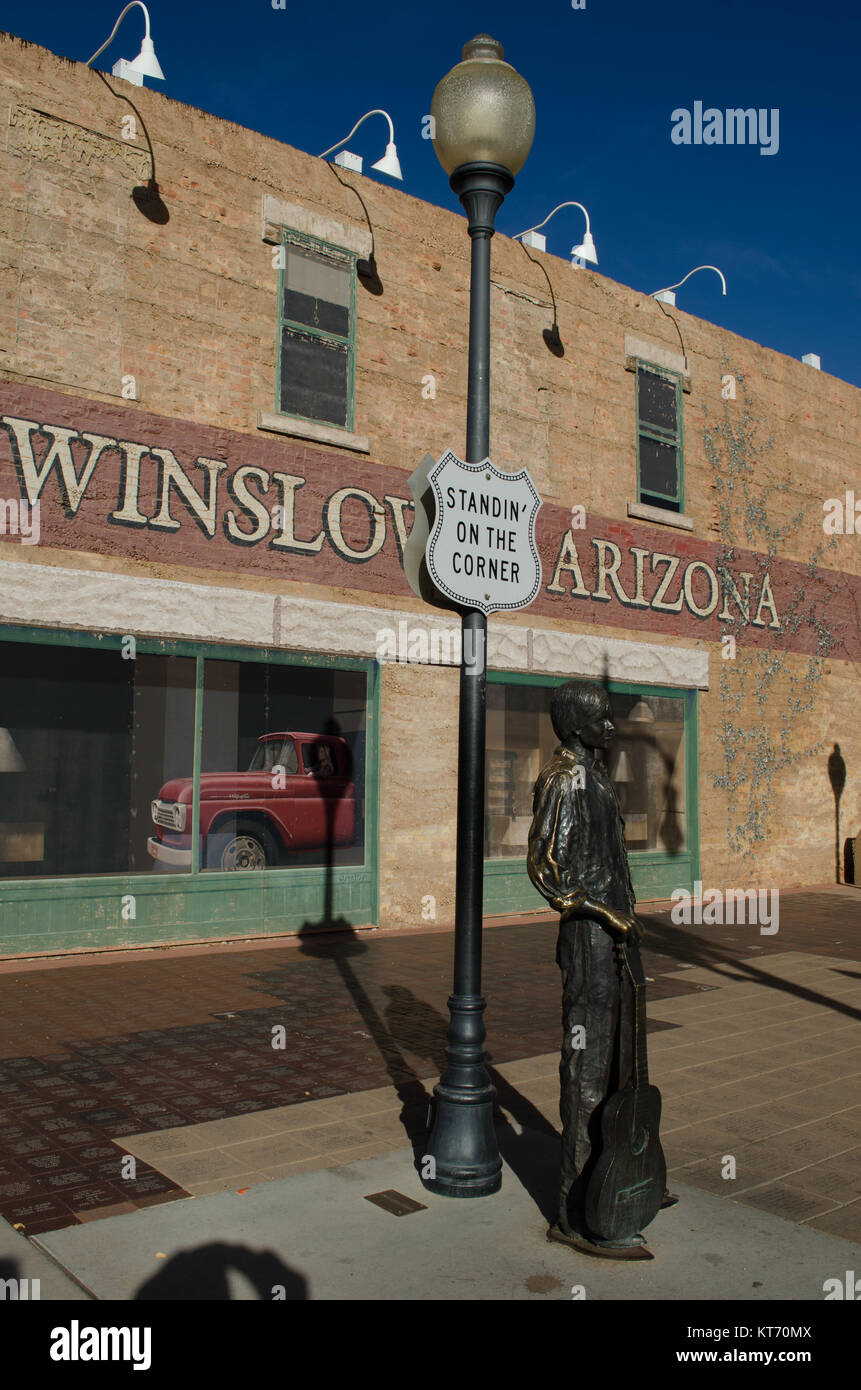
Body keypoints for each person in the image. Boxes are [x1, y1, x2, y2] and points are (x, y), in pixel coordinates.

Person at [527, 678, 666, 1256]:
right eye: (602, 719)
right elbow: (546, 870)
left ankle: (622, 1174)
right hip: (591, 938)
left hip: (617, 933)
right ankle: (577, 1205)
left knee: (625, 1054)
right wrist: (606, 913)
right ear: (576, 725)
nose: (612, 727)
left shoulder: (594, 772)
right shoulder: (562, 779)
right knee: (588, 1065)